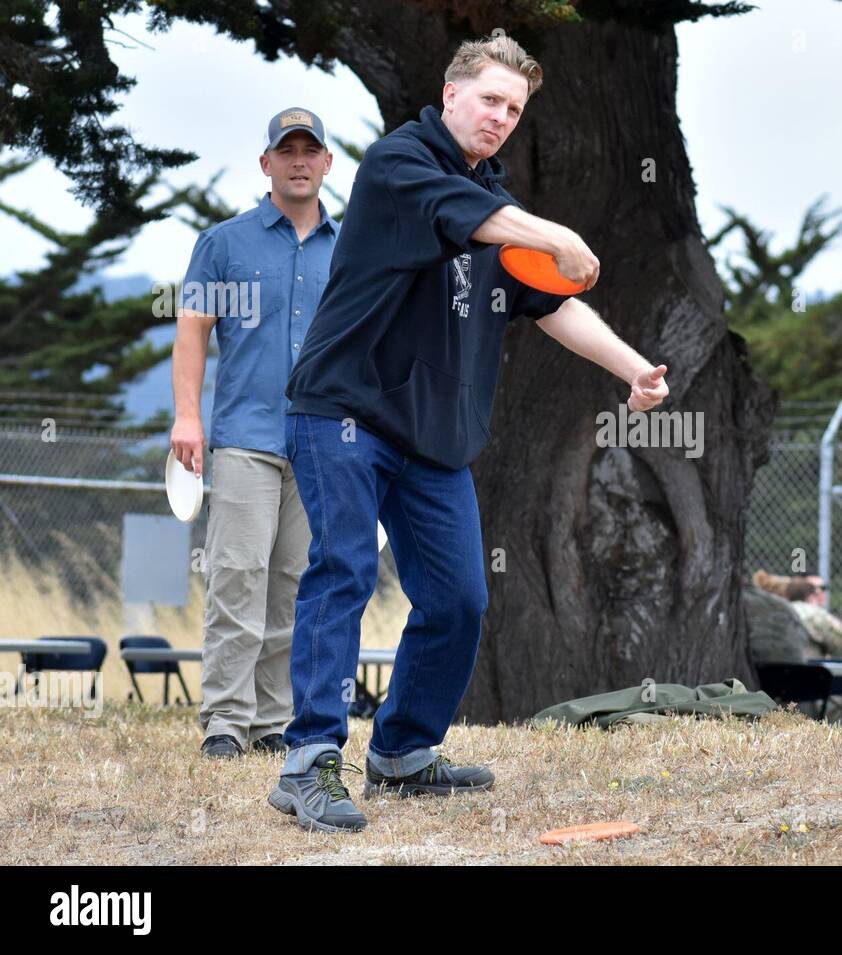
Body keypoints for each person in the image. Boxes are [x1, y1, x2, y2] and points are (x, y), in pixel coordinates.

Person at [266, 35, 670, 833]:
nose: (501, 118)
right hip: (343, 407)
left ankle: (403, 752)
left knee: (460, 599)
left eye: (514, 110)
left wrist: (633, 368)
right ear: (450, 95)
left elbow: (550, 303)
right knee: (343, 569)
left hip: (431, 436)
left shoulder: (497, 202)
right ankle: (309, 761)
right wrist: (555, 235)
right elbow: (482, 221)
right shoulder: (400, 163)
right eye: (490, 99)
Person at [171, 108, 337, 759]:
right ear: (266, 163)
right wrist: (188, 416)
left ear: (326, 164)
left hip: (320, 440)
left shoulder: (348, 251)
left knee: (294, 579)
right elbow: (191, 330)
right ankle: (225, 718)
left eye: (310, 151)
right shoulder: (224, 243)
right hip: (244, 435)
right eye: (286, 150)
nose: (299, 161)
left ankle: (273, 719)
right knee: (237, 573)